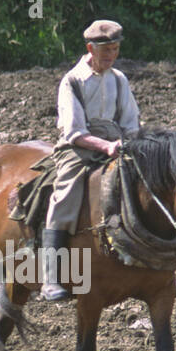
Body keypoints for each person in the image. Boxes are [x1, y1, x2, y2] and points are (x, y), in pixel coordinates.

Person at [40, 19, 141, 301]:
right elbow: (74, 132)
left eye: (116, 50)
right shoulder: (72, 81)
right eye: (106, 50)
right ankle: (51, 275)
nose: (111, 56)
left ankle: (153, 265)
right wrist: (106, 147)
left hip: (117, 143)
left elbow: (131, 122)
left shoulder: (120, 80)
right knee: (66, 193)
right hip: (80, 147)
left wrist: (130, 143)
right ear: (90, 49)